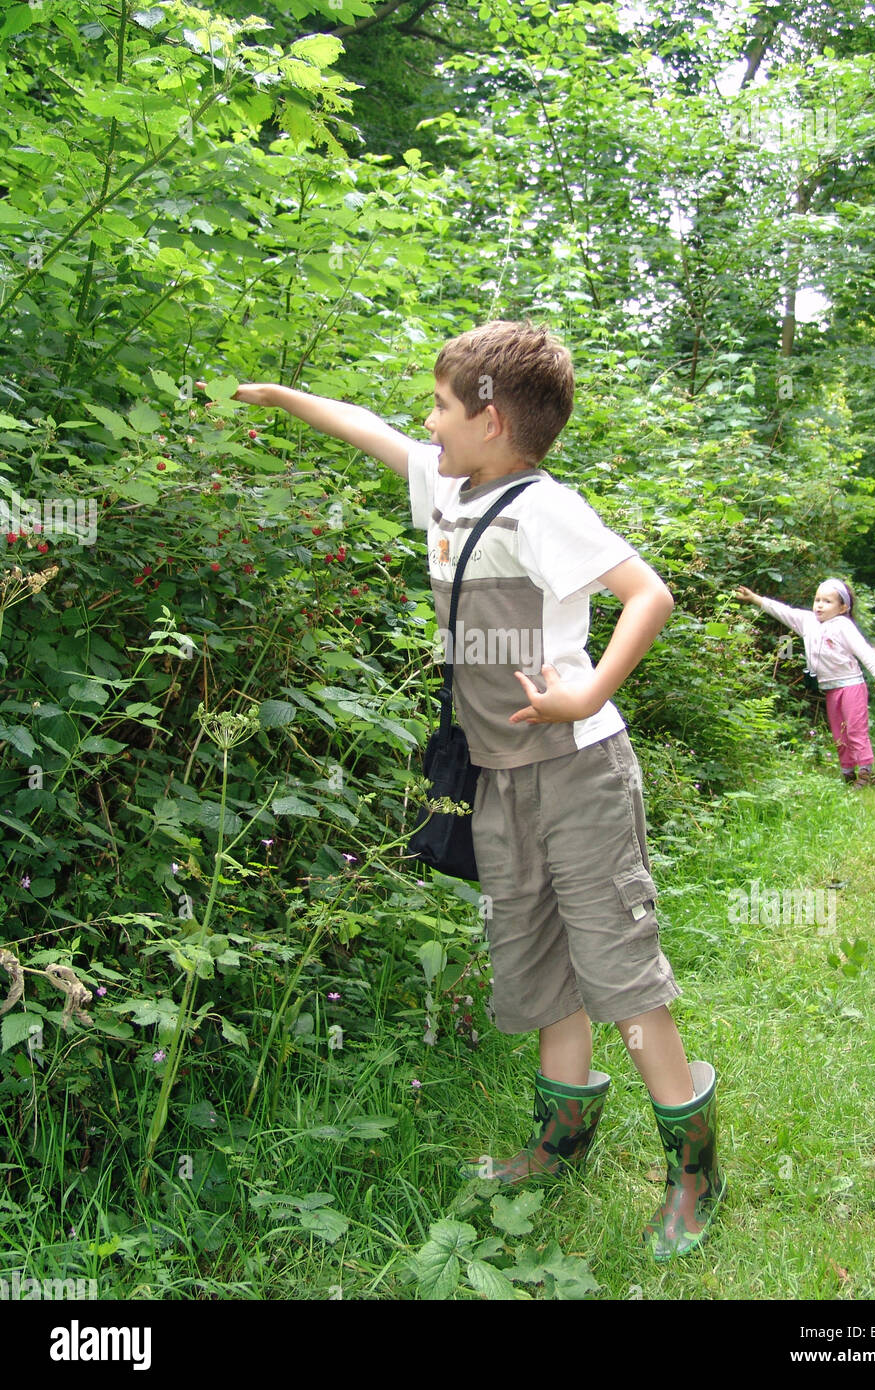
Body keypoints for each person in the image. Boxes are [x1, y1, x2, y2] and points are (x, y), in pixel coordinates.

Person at [228, 320, 726, 1261]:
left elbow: (646, 594)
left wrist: (587, 690)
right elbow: (368, 430)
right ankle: (559, 1142)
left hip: (577, 771)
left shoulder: (543, 508)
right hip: (496, 776)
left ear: (491, 419)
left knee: (617, 968)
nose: (428, 422)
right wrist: (284, 399)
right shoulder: (449, 490)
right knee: (533, 962)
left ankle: (693, 1172)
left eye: (444, 407)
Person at [735, 579, 875, 788]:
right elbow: (783, 611)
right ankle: (848, 773)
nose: (820, 605)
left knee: (855, 730)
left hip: (852, 685)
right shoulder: (807, 621)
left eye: (827, 601)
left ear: (843, 607)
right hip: (831, 689)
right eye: (817, 600)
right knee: (839, 734)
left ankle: (865, 772)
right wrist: (755, 599)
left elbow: (863, 649)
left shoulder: (843, 625)